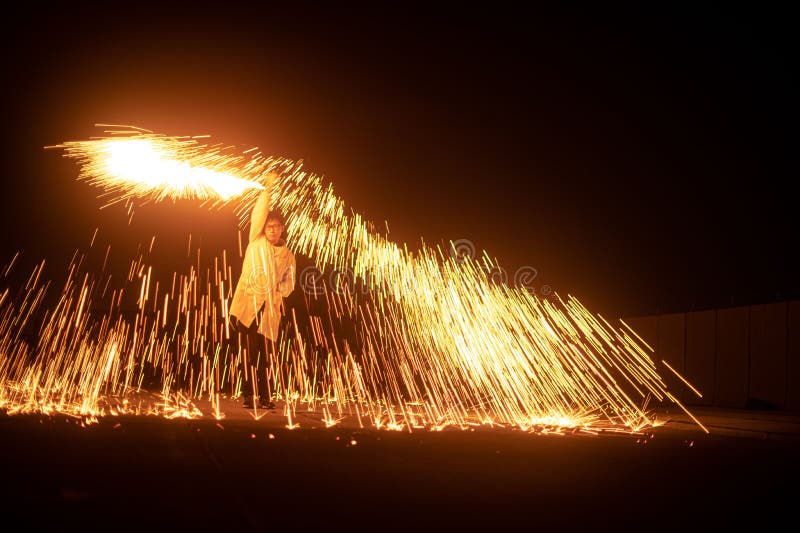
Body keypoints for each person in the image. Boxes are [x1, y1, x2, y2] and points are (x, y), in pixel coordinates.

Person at [229, 171, 296, 409]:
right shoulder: (255, 241)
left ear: (282, 229)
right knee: (249, 354)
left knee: (266, 358)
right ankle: (248, 395)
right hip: (249, 308)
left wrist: (278, 291)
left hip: (269, 312)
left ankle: (266, 396)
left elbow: (289, 283)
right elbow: (258, 213)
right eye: (269, 226)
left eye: (277, 227)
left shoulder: (288, 255)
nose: (272, 230)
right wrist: (267, 189)